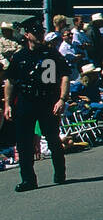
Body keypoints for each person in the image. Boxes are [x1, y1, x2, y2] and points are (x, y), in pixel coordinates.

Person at [3, 18, 71, 191]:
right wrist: (8, 105)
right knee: (24, 143)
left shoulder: (52, 54)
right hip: (26, 102)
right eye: (35, 32)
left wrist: (62, 99)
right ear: (27, 35)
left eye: (41, 31)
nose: (39, 34)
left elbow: (64, 75)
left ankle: (60, 173)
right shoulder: (19, 57)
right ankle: (28, 180)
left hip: (48, 101)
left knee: (53, 139)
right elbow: (10, 81)